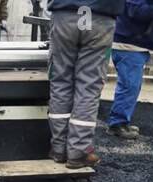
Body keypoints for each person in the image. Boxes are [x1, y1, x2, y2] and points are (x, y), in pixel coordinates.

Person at [46, 0, 125, 169]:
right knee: (88, 87)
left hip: (64, 14)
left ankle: (59, 148)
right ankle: (78, 151)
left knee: (61, 81)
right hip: (100, 17)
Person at [107, 0, 153, 139]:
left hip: (133, 43)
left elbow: (147, 15)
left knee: (131, 86)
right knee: (129, 85)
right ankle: (117, 124)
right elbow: (136, 11)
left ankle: (121, 121)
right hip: (129, 44)